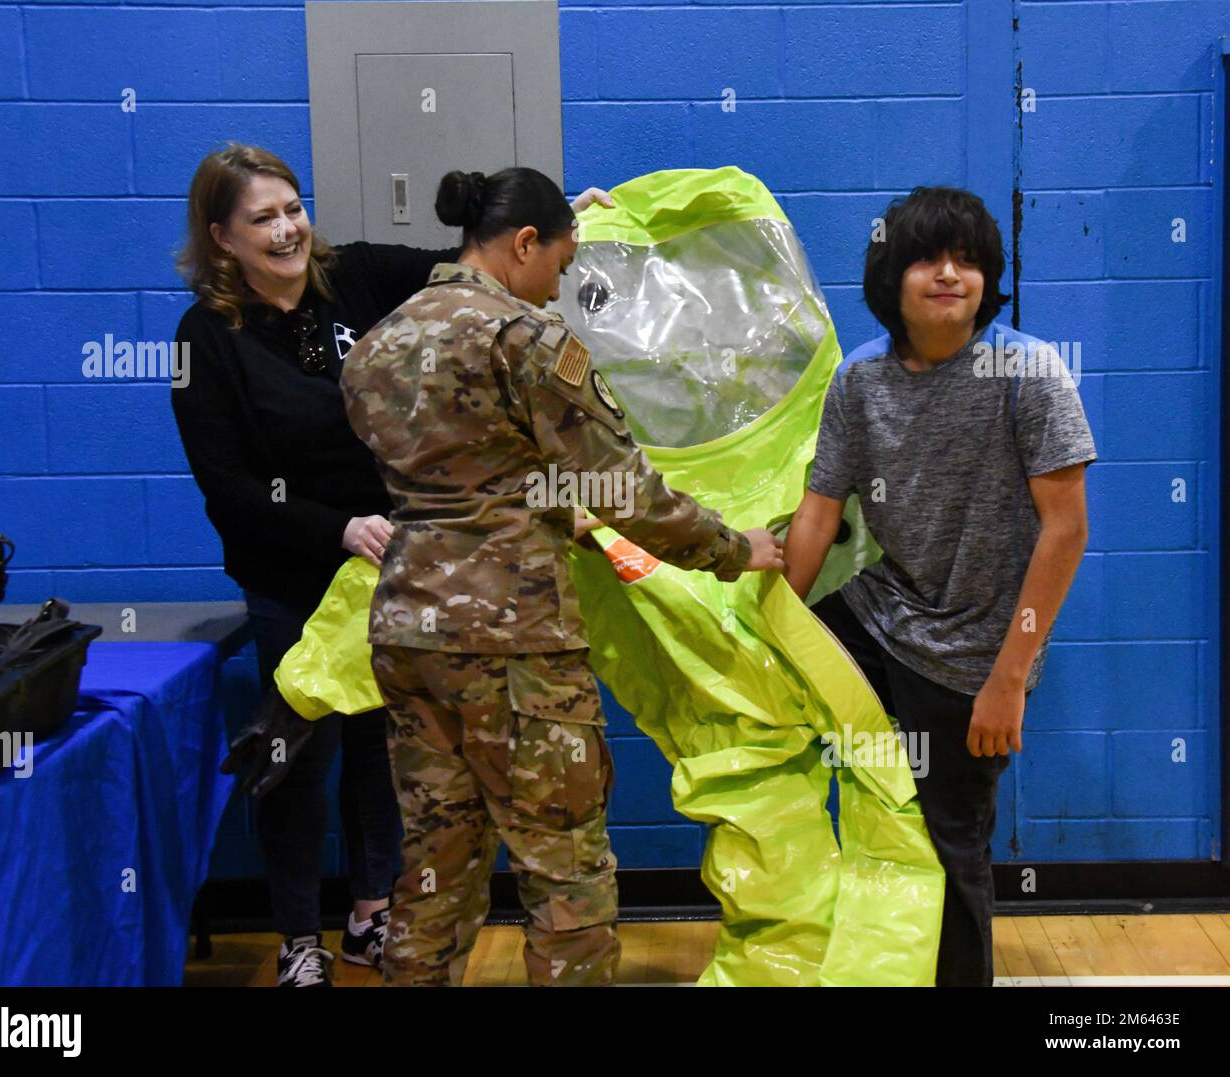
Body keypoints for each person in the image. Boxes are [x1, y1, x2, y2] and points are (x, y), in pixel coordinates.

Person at [170, 142, 613, 987]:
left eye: (292, 207)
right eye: (262, 217)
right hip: (296, 573)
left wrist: (562, 221)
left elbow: (470, 267)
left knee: (391, 755)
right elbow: (225, 485)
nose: (287, 227)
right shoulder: (206, 338)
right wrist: (336, 527)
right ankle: (299, 934)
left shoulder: (359, 277)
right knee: (298, 764)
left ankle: (374, 912)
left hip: (396, 572)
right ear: (222, 238)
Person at [340, 166, 786, 986]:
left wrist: (536, 504)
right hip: (514, 642)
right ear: (522, 245)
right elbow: (623, 487)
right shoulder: (529, 341)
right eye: (561, 262)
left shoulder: (376, 346)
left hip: (409, 632)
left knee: (436, 861)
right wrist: (733, 549)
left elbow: (458, 481)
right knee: (564, 870)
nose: (561, 284)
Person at [782, 186, 1096, 986]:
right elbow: (818, 516)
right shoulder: (859, 381)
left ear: (989, 276)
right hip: (884, 612)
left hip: (974, 653)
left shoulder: (1028, 372)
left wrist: (1009, 679)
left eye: (967, 259)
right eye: (928, 257)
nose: (950, 273)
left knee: (951, 839)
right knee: (760, 695)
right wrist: (774, 628)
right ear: (893, 276)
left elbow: (1066, 532)